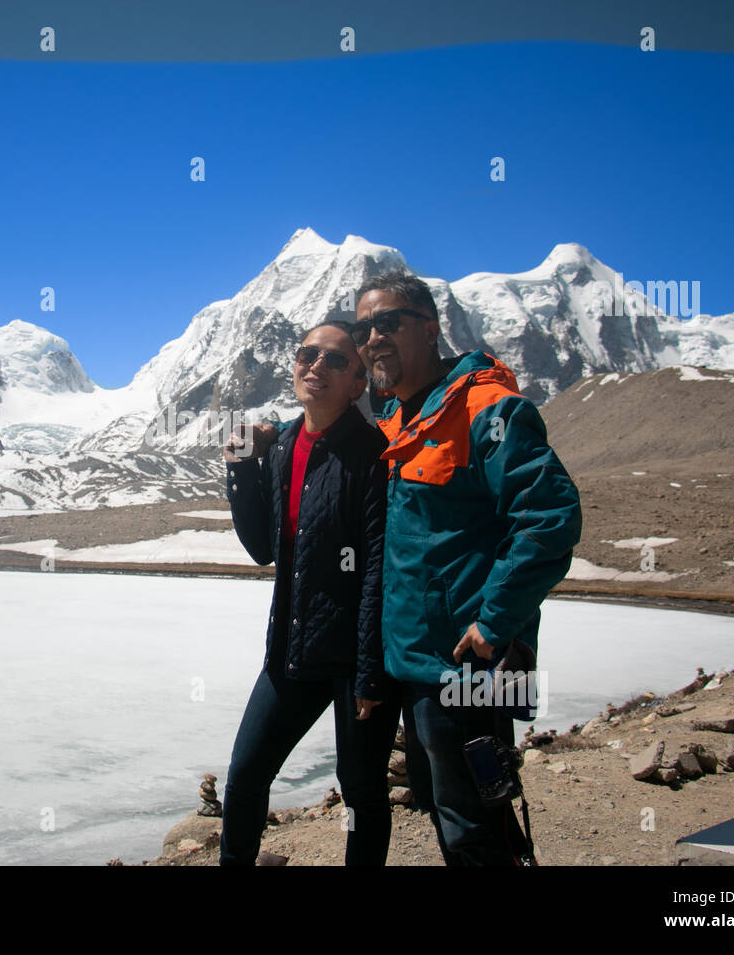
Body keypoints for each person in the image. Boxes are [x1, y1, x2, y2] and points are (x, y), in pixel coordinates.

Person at [347, 269, 583, 865]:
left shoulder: (487, 408)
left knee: (474, 824)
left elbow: (549, 517)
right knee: (454, 812)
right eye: (362, 328)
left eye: (387, 322)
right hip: (415, 667)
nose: (373, 337)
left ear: (429, 329)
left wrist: (494, 622)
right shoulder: (405, 418)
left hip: (465, 666)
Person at [219, 320, 400, 866]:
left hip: (356, 658)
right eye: (308, 354)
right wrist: (241, 468)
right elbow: (262, 549)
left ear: (357, 385)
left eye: (337, 361)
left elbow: (375, 572)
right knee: (247, 775)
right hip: (295, 649)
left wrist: (370, 674)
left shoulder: (372, 454)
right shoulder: (285, 446)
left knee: (362, 791)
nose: (316, 366)